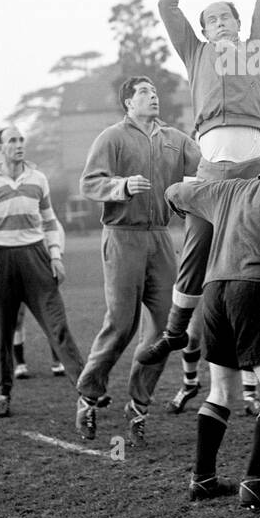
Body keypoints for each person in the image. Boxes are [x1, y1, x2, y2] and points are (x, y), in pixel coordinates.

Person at [137, 0, 260, 368]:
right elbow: (166, 5)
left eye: (226, 18)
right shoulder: (195, 54)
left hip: (255, 165)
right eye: (212, 19)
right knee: (197, 246)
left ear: (238, 25)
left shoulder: (257, 50)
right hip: (212, 167)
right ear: (203, 31)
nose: (219, 23)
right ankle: (176, 333)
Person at [75, 77, 200, 445]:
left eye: (155, 92)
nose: (153, 97)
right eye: (144, 93)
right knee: (121, 324)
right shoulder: (112, 137)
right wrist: (122, 186)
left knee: (168, 330)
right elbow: (89, 183)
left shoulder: (175, 139)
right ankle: (88, 396)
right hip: (121, 235)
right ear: (128, 103)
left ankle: (138, 406)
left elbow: (208, 166)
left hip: (160, 238)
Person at [165, 171, 260, 509]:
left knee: (221, 391)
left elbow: (173, 192)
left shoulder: (226, 189)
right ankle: (255, 484)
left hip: (214, 293)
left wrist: (193, 209)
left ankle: (203, 479)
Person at [0, 125, 85, 421]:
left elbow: (49, 222)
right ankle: (3, 395)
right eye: (12, 140)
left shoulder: (38, 179)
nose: (19, 144)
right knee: (2, 333)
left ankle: (87, 390)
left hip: (36, 258)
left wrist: (56, 256)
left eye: (21, 140)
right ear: (1, 148)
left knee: (57, 325)